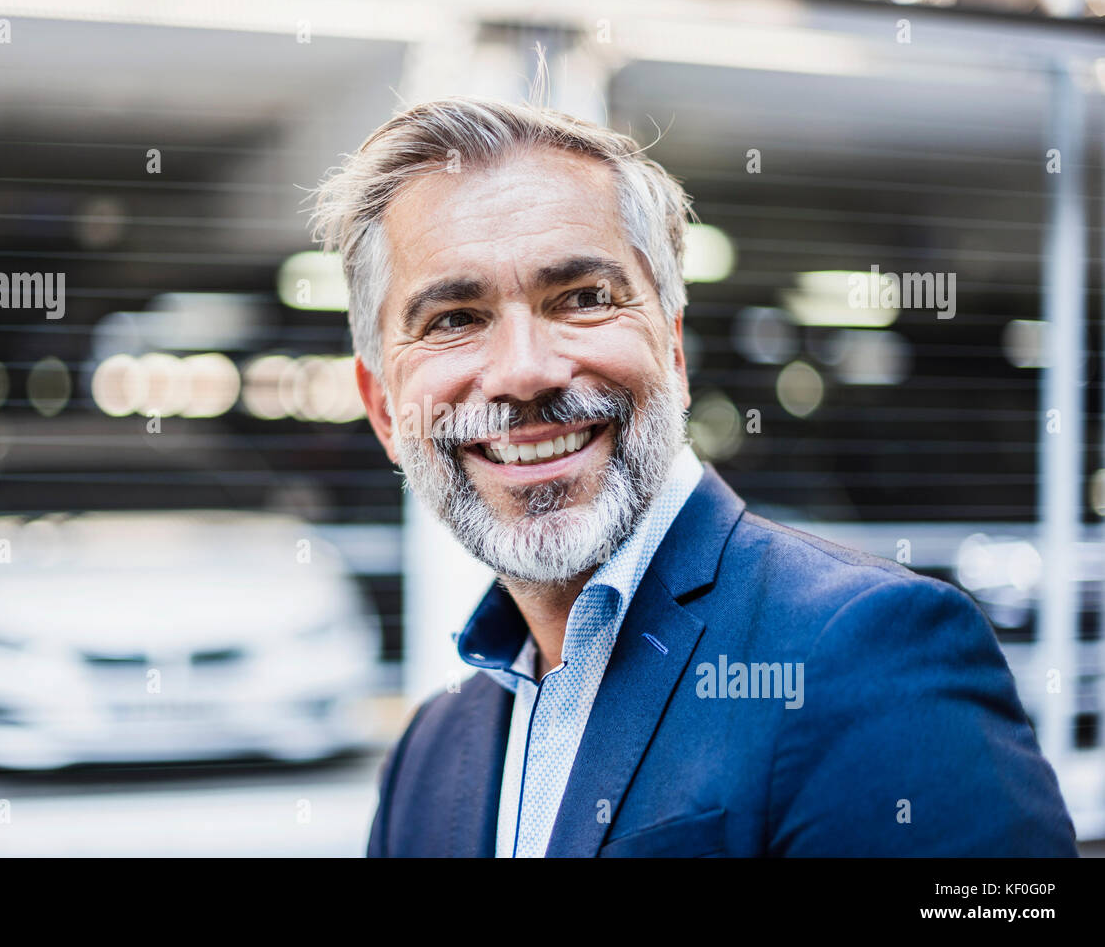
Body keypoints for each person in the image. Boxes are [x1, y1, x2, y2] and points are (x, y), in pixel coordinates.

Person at [309, 95, 1077, 857]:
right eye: (453, 319)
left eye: (582, 298)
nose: (525, 372)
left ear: (672, 353)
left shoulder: (870, 656)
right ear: (383, 408)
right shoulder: (428, 756)